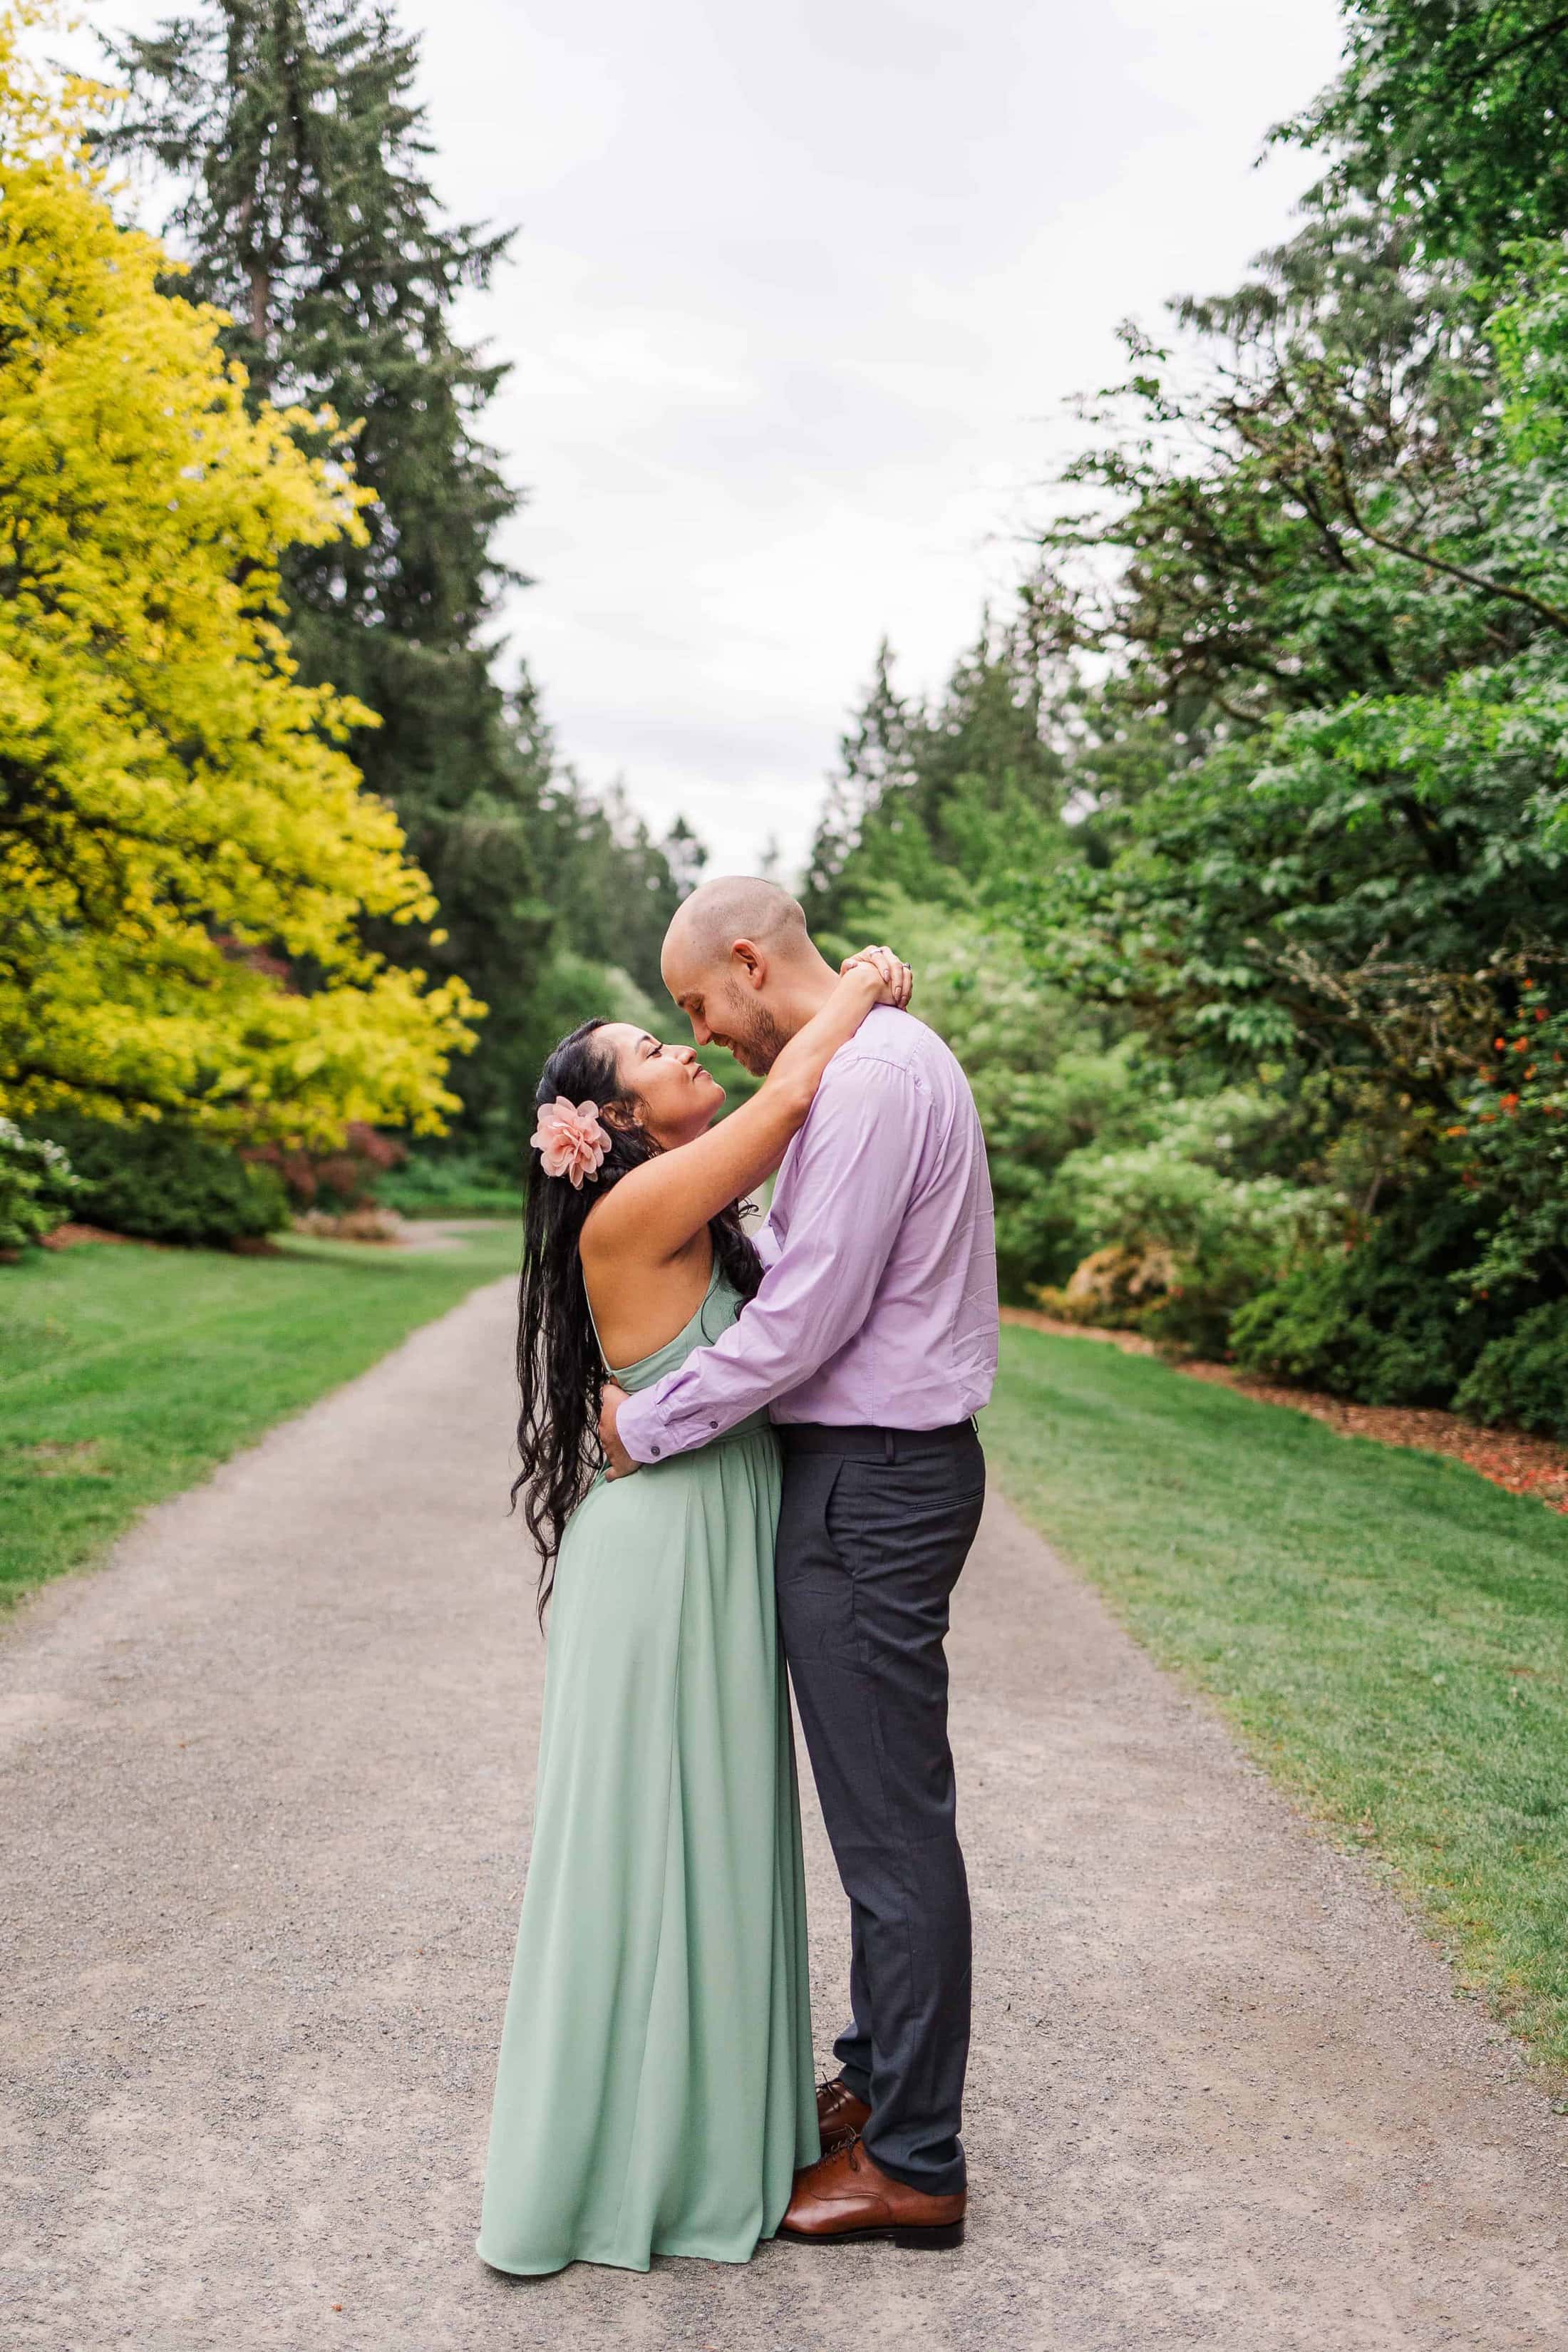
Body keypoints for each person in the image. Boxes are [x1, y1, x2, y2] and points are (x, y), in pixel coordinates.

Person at [475, 942, 913, 2279]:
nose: (687, 1053)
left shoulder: (682, 1205)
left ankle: (713, 2130)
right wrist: (853, 995)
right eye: (654, 1054)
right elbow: (788, 1110)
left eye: (679, 1035)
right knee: (650, 1849)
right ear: (611, 1122)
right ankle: (628, 2166)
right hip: (664, 1564)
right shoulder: (638, 1209)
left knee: (712, 1836)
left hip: (708, 1543)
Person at [599, 876, 999, 2252]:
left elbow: (810, 1319)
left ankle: (917, 2162)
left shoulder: (875, 1079)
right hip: (876, 1478)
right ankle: (881, 2080)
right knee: (880, 1818)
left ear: (753, 964)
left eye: (699, 1006)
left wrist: (649, 1424)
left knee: (890, 1834)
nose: (700, 1037)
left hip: (873, 1485)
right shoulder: (873, 1059)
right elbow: (799, 1263)